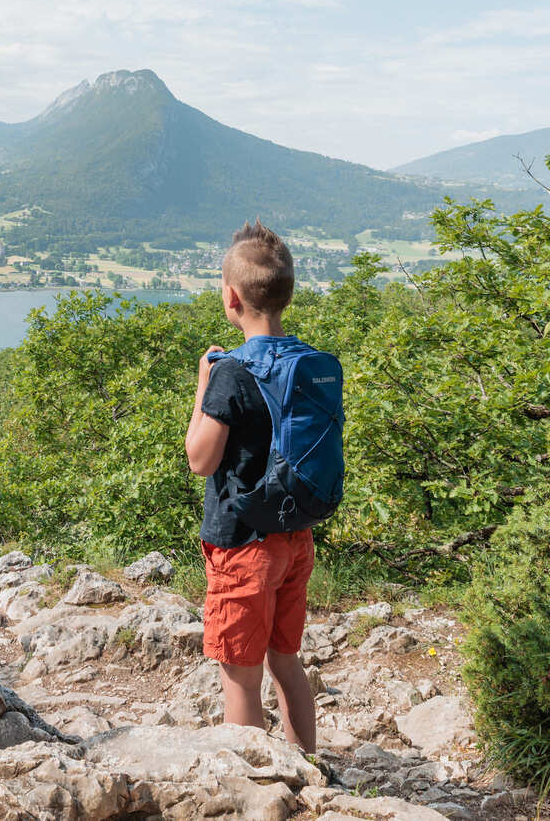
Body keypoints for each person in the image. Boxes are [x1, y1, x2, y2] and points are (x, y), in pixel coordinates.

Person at [184, 221, 341, 753]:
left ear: (230, 298)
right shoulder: (307, 365)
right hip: (295, 538)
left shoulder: (230, 373)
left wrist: (204, 386)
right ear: (285, 296)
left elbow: (201, 460)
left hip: (240, 545)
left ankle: (257, 786)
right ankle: (308, 770)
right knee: (286, 663)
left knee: (241, 679)